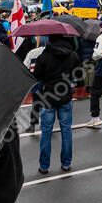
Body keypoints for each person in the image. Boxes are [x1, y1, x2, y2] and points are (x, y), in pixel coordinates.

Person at [33, 34, 80, 174]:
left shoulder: (44, 56)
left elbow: (37, 77)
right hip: (65, 96)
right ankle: (66, 163)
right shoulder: (73, 55)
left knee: (46, 132)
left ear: (50, 40)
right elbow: (78, 75)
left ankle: (44, 166)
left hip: (48, 97)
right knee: (66, 131)